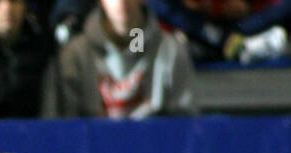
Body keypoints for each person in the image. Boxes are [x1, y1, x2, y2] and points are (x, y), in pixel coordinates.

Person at [44, 0, 195, 117]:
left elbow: (185, 127)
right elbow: (64, 130)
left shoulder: (170, 49)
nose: (122, 1)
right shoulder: (75, 55)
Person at [146, 0, 291, 62]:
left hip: (235, 29)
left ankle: (239, 48)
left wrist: (246, 7)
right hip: (193, 30)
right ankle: (237, 48)